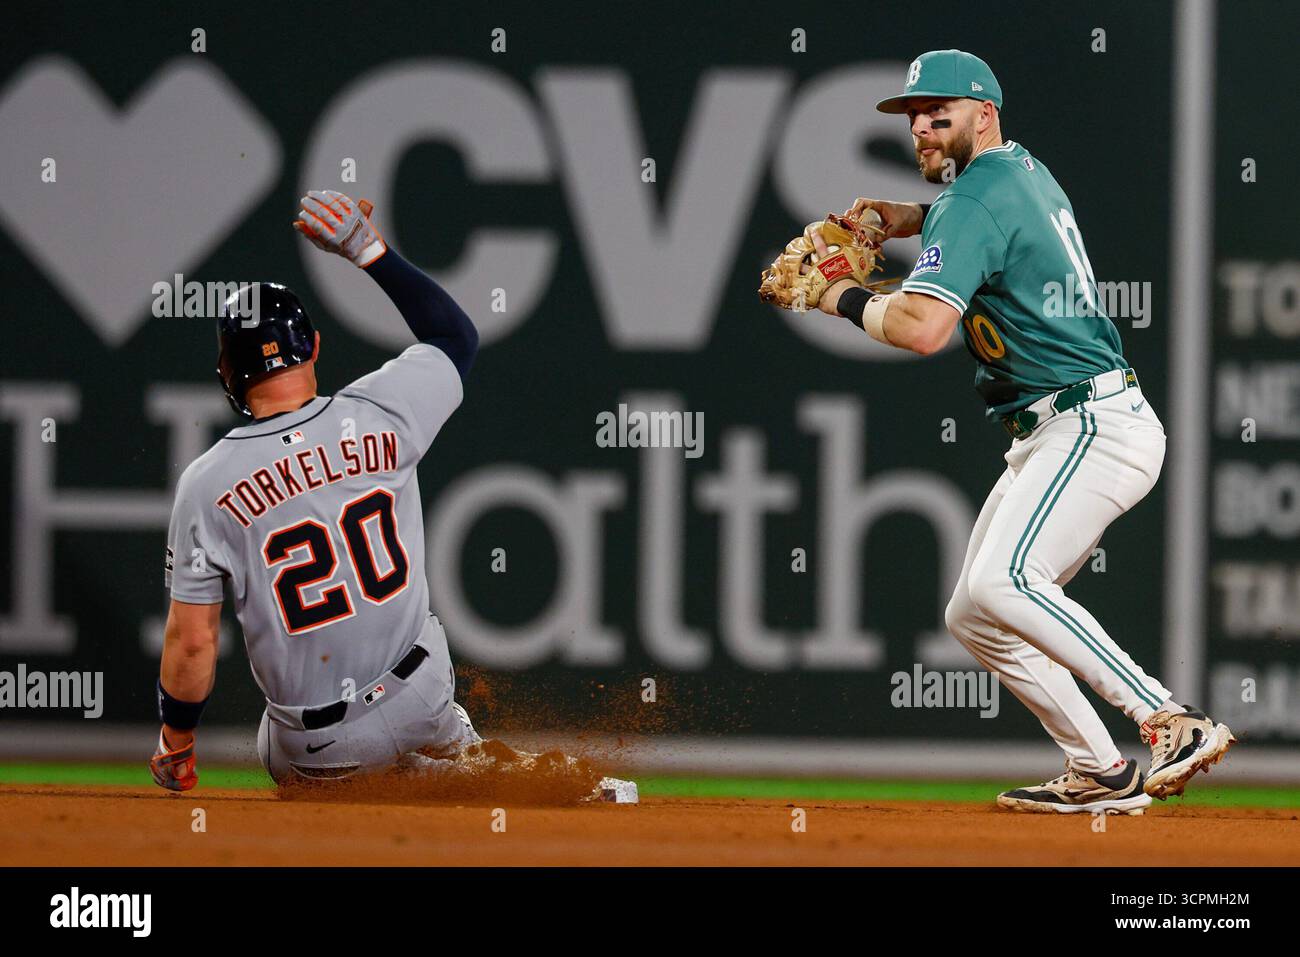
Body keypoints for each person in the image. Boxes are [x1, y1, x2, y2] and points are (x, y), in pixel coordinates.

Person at [809, 50, 1233, 813]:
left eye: (940, 113)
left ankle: (1171, 717)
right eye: (913, 117)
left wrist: (837, 293)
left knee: (1008, 579)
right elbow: (980, 218)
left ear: (985, 113)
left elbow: (923, 328)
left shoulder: (975, 200)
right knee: (974, 611)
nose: (923, 130)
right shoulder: (1020, 172)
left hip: (1089, 424)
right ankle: (1100, 769)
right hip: (1069, 422)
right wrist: (903, 217)